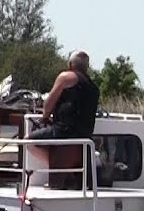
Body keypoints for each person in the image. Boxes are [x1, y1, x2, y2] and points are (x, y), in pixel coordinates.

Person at [26, 50, 100, 186]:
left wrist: (45, 117)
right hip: (84, 135)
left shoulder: (66, 77)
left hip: (64, 131)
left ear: (70, 64)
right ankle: (67, 170)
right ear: (86, 67)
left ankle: (60, 169)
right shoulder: (93, 87)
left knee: (28, 142)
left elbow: (49, 102)